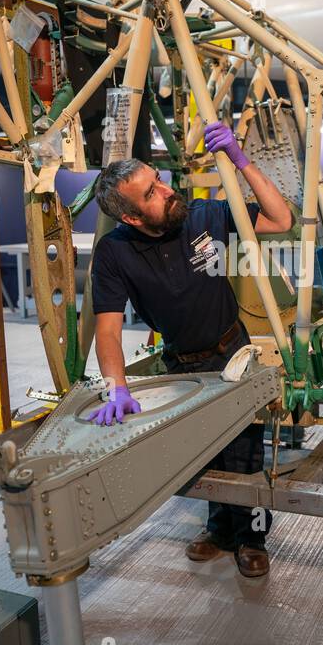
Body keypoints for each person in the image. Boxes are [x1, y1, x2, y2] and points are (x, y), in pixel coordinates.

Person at [85, 120, 293, 577]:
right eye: (151, 193)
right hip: (182, 365)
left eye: (157, 180)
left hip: (232, 355)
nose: (166, 190)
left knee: (244, 454)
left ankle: (253, 537)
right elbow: (108, 330)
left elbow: (282, 219)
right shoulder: (114, 253)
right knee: (203, 454)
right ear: (132, 218)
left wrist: (242, 162)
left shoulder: (204, 216)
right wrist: (114, 386)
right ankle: (220, 530)